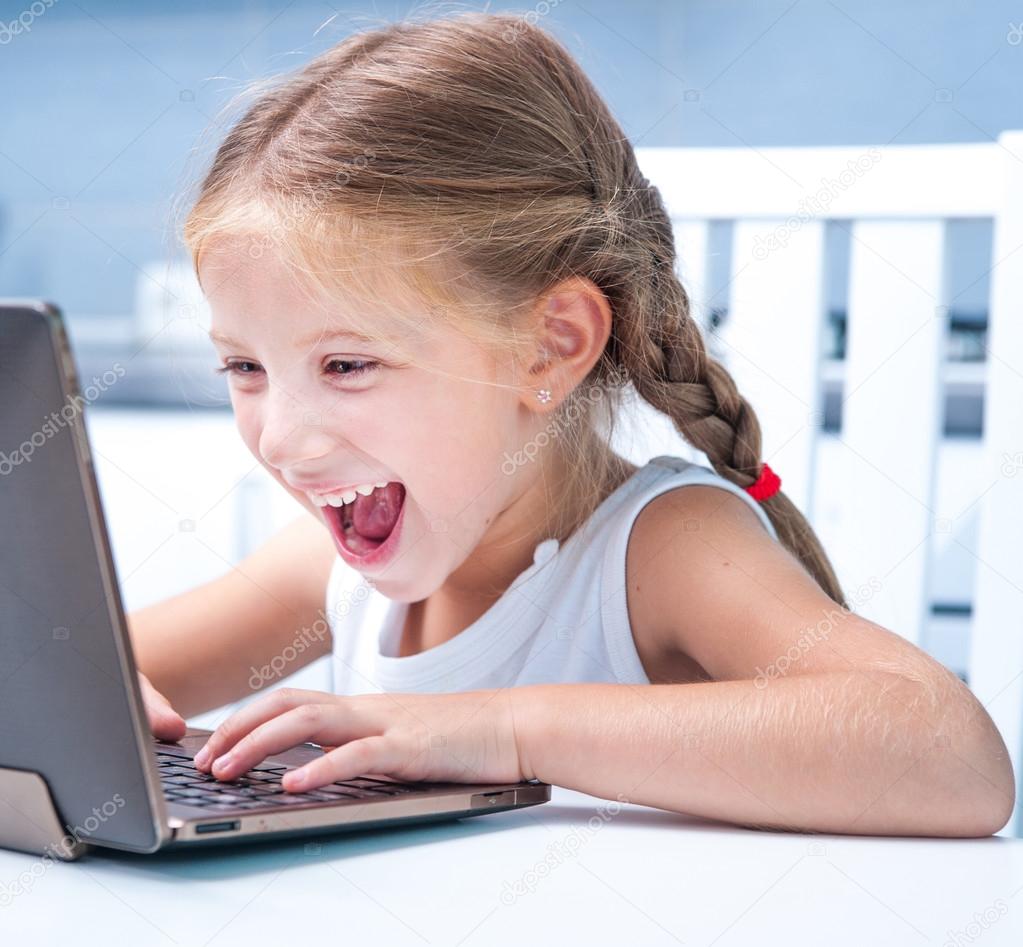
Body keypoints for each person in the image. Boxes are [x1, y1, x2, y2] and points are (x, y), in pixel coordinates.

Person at [130, 11, 1014, 837]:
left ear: (550, 347)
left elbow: (953, 755)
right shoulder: (331, 570)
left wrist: (509, 728)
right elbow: (83, 670)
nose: (280, 440)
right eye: (245, 367)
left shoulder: (658, 552)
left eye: (348, 365)